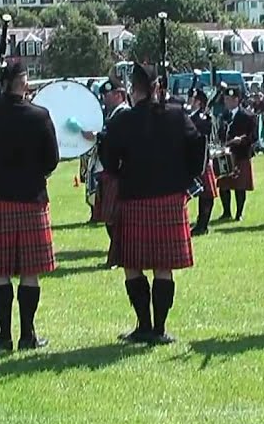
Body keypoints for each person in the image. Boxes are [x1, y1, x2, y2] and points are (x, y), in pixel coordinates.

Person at [99, 64, 205, 344]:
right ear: (157, 87)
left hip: (134, 197)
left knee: (132, 265)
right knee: (163, 266)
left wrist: (123, 171)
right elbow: (197, 150)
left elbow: (108, 161)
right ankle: (159, 328)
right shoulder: (176, 115)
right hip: (170, 199)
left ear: (134, 90)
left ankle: (144, 325)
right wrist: (184, 176)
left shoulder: (123, 121)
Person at [0, 60, 60, 351]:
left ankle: (4, 335)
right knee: (30, 271)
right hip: (31, 199)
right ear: (23, 81)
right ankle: (27, 334)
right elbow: (51, 160)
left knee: (0, 271)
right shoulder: (39, 115)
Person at [86, 81, 130, 264]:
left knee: (115, 219)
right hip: (108, 170)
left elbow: (118, 139)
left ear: (119, 95)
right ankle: (118, 254)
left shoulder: (125, 113)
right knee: (110, 218)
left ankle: (119, 255)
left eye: (108, 95)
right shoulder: (111, 114)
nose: (105, 98)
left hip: (119, 171)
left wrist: (97, 136)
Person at [216, 85, 257, 222]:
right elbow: (220, 133)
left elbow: (253, 137)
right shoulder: (223, 116)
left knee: (240, 186)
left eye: (230, 99)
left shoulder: (247, 116)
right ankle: (226, 212)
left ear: (237, 100)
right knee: (224, 185)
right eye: (226, 99)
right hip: (226, 154)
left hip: (241, 154)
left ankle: (239, 213)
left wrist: (242, 139)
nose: (227, 101)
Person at [188, 88, 218, 237]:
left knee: (207, 195)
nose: (189, 101)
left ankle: (202, 224)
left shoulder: (203, 119)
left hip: (203, 161)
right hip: (191, 161)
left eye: (192, 99)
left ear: (198, 102)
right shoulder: (189, 117)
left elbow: (205, 134)